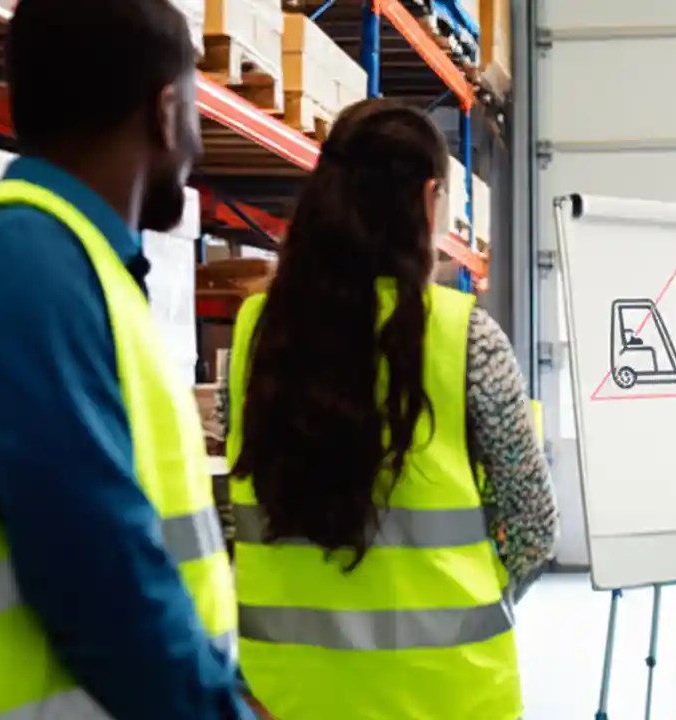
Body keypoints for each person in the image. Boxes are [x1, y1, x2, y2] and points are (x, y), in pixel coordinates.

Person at [226, 98, 558, 720]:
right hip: (448, 693)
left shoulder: (254, 334)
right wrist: (482, 597)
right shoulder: (467, 339)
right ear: (429, 198)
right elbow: (535, 528)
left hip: (288, 693)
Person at [0, 1, 250, 718]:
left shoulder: (68, 263)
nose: (197, 148)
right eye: (193, 114)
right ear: (165, 112)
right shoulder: (22, 266)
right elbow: (102, 575)